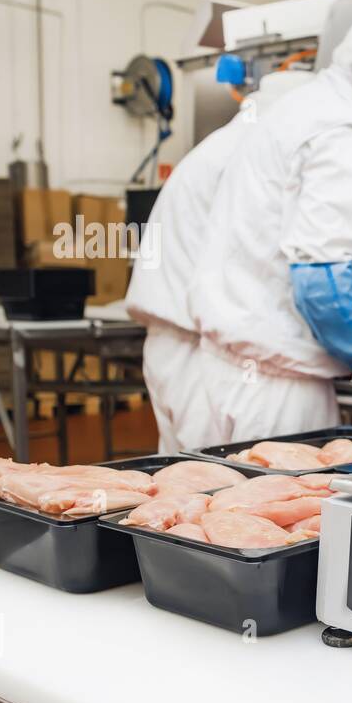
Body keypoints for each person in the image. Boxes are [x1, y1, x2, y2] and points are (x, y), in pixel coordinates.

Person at [189, 8, 352, 443]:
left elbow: (283, 243)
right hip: (278, 390)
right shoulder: (344, 133)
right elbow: (320, 279)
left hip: (228, 371)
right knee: (278, 508)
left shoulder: (302, 110)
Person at [126, 70, 313, 452]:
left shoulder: (220, 145)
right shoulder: (256, 155)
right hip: (201, 352)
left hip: (173, 343)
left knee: (185, 485)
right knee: (219, 487)